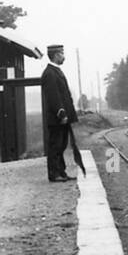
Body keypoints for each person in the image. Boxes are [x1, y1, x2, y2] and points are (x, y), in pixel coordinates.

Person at [41, 44, 78, 182]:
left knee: (61, 145)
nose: (63, 56)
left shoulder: (55, 71)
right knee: (56, 145)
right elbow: (53, 96)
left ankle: (61, 172)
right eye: (62, 53)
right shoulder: (50, 73)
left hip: (61, 118)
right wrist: (61, 113)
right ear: (56, 55)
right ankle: (54, 174)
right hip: (58, 118)